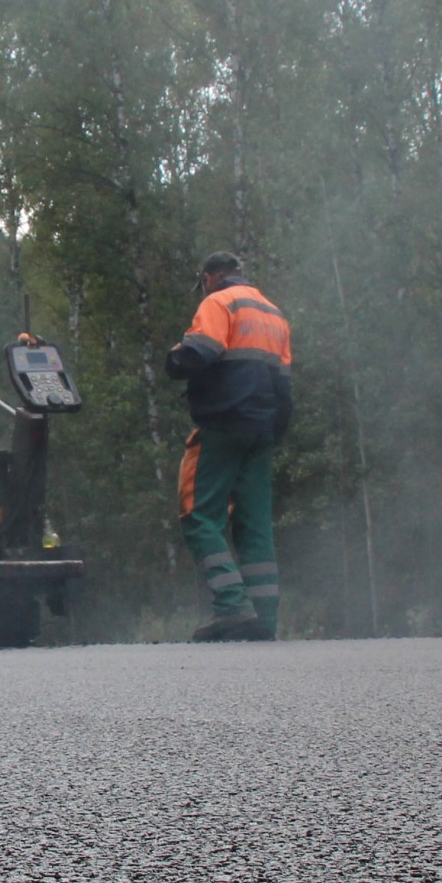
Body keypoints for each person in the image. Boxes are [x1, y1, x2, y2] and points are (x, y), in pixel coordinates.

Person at [166, 250, 293, 642]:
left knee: (198, 514)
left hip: (222, 424)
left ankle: (233, 605)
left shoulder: (219, 302)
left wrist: (174, 358)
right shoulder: (273, 313)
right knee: (254, 524)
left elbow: (201, 351)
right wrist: (273, 431)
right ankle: (264, 618)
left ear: (211, 276)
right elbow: (284, 386)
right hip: (262, 429)